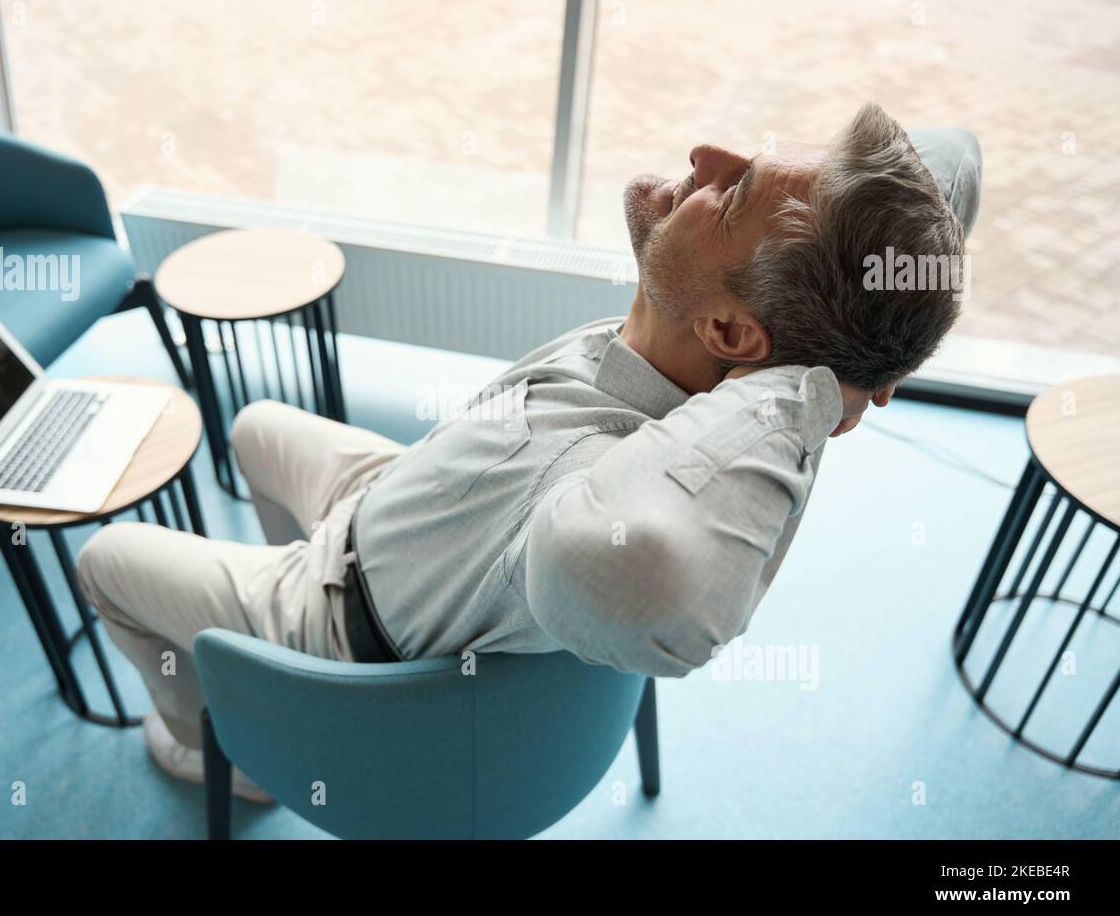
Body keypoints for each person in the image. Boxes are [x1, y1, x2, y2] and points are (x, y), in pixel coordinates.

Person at [77, 103, 981, 802]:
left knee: (104, 559)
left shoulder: (590, 499)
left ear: (731, 332)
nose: (709, 154)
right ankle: (273, 609)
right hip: (396, 501)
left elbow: (634, 576)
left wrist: (816, 398)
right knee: (256, 425)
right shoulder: (679, 344)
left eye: (734, 191)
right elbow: (956, 155)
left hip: (345, 611)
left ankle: (234, 744)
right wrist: (853, 376)